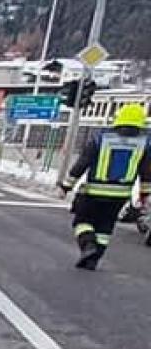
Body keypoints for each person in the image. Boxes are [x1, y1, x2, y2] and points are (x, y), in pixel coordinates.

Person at [57, 103, 147, 270]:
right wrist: (145, 195)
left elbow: (82, 164)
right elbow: (147, 173)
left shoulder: (100, 138)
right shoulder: (145, 144)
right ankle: (93, 260)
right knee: (105, 227)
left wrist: (66, 186)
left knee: (82, 221)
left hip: (94, 192)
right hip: (120, 196)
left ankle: (88, 244)